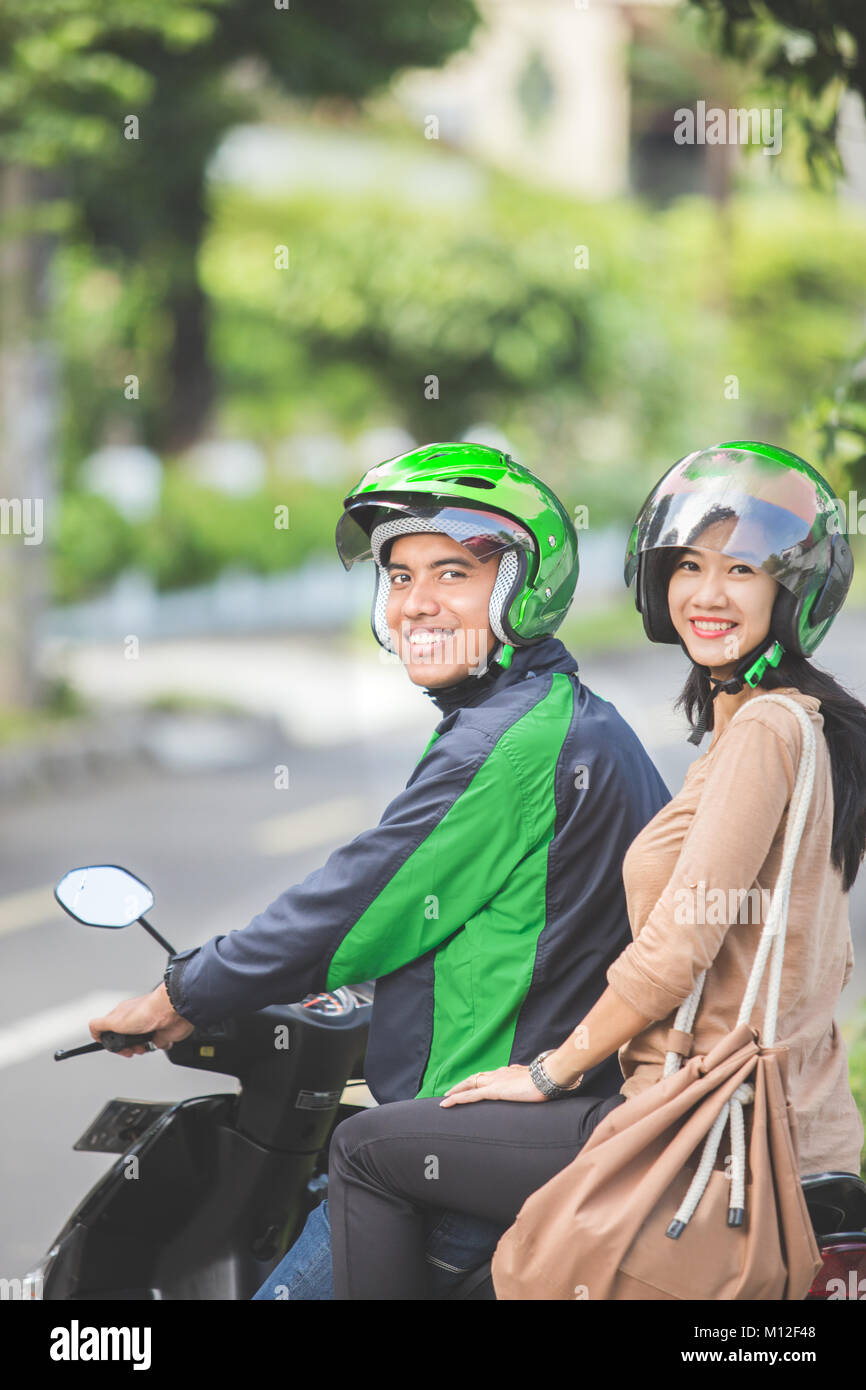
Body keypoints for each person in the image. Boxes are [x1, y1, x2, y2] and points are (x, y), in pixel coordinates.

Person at [86, 439, 670, 1299]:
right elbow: (491, 915)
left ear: (520, 588)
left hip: (482, 1154)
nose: (417, 603)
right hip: (558, 1119)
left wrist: (182, 993)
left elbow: (360, 901)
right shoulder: (560, 716)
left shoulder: (509, 744)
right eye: (399, 577)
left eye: (453, 575)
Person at [325, 440, 866, 1300]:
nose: (707, 593)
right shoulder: (789, 726)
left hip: (698, 1118)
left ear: (792, 592)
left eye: (742, 570)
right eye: (688, 565)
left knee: (367, 1149)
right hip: (769, 1118)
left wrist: (548, 1071)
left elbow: (676, 949)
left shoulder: (766, 732)